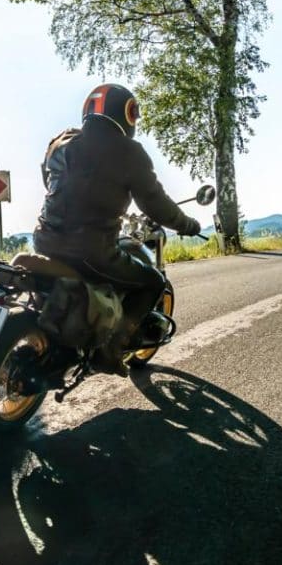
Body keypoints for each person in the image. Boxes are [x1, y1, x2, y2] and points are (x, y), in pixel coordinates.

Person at [32, 83, 202, 375]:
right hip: (91, 251)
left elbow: (48, 178)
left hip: (44, 239)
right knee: (152, 282)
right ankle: (109, 351)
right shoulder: (128, 151)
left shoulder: (61, 141)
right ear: (126, 113)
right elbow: (155, 203)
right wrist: (188, 225)